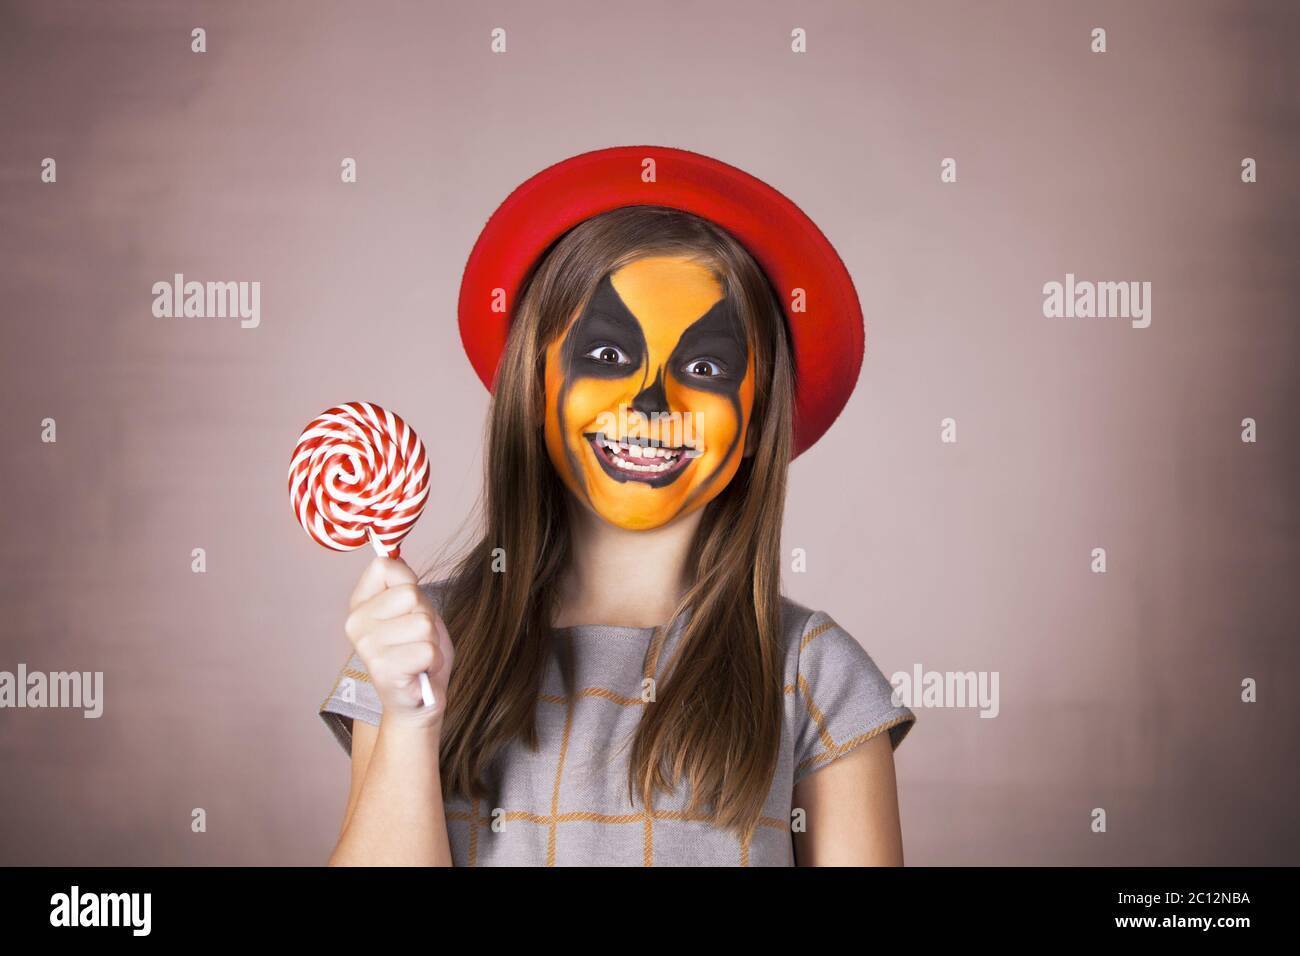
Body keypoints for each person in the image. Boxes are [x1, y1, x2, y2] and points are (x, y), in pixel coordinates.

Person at [319, 147, 917, 866]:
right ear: (535, 390)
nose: (651, 403)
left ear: (759, 420)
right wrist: (411, 722)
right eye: (606, 356)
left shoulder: (814, 673)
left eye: (704, 368)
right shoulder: (419, 646)